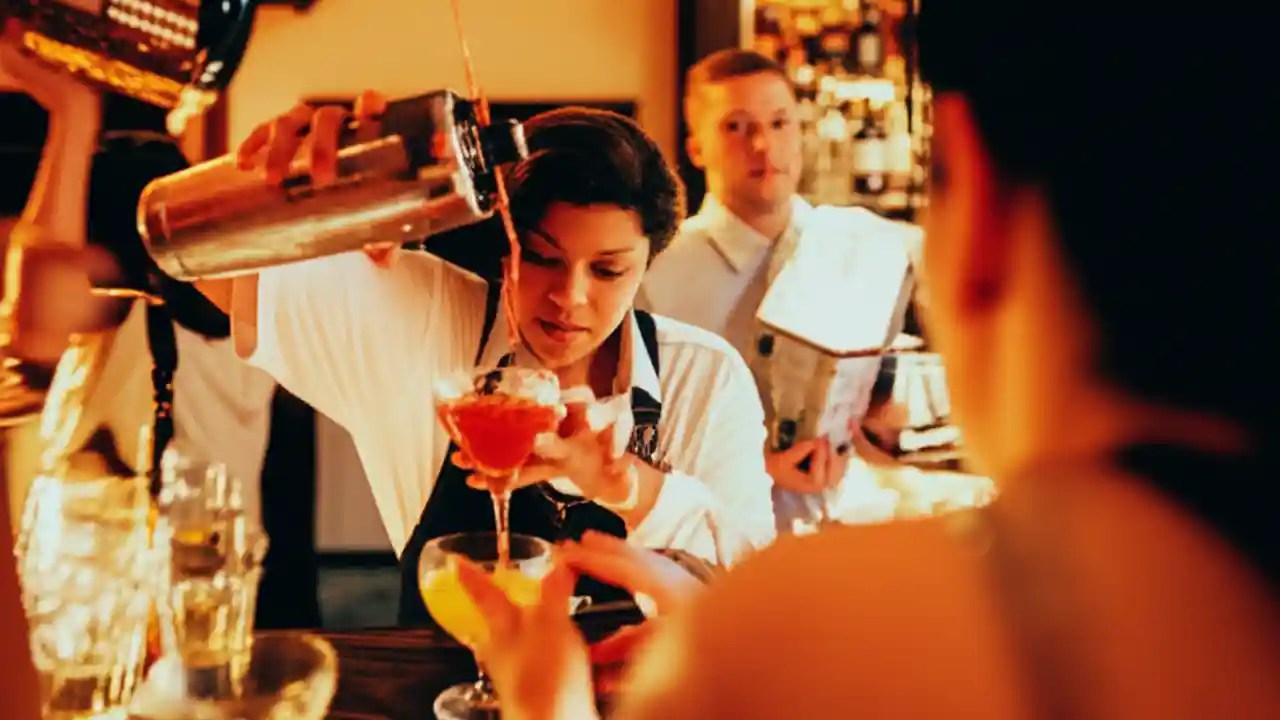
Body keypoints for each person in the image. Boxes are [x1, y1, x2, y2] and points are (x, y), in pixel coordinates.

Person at [459, 4, 1279, 718]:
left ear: (979, 195)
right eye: (739, 124)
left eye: (779, 121)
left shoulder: (813, 639)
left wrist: (550, 705)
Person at [207, 92, 776, 623]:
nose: (569, 297)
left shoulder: (704, 377)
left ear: (648, 260)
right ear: (504, 242)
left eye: (608, 270)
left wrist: (628, 487)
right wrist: (282, 182)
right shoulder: (430, 323)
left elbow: (757, 595)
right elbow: (209, 259)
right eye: (540, 256)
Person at [638, 49, 914, 531]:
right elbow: (626, 450)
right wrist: (758, 470)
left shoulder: (857, 244)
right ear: (696, 147)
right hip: (713, 556)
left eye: (781, 122)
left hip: (852, 531)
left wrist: (882, 426)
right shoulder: (654, 274)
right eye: (736, 126)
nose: (764, 144)